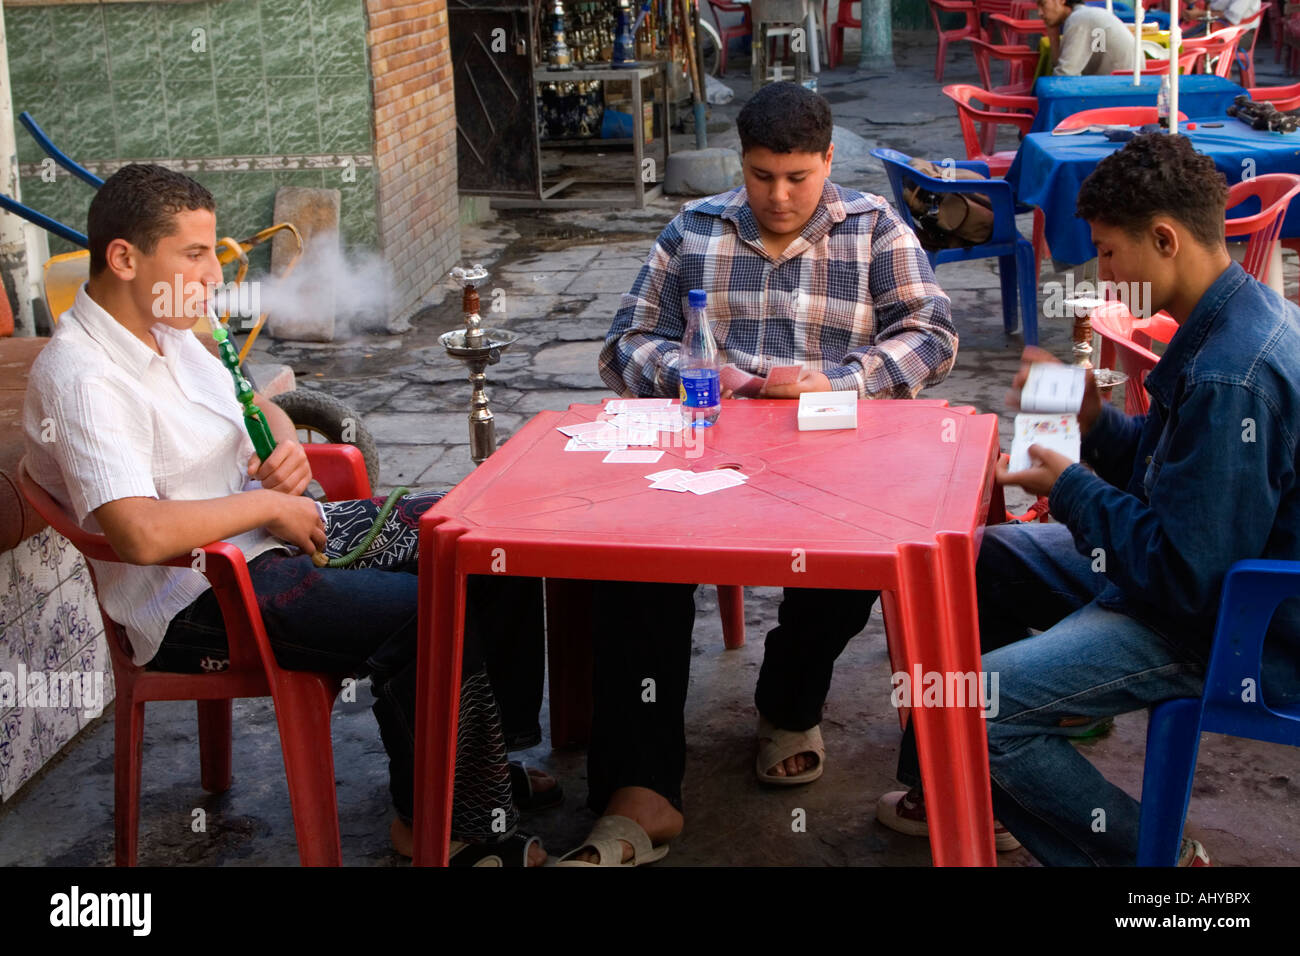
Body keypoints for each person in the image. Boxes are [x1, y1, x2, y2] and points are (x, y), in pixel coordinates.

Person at [22, 163, 549, 866]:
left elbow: (249, 400)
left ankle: (482, 771)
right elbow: (139, 533)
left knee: (484, 533)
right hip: (204, 597)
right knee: (425, 610)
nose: (213, 274)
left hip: (270, 538)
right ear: (124, 257)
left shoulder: (169, 330)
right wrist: (268, 502)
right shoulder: (84, 377)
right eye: (195, 253)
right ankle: (441, 824)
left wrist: (284, 447)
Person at [876, 133, 1300, 865]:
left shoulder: (1231, 374)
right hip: (1201, 581)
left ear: (1164, 239)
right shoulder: (1235, 314)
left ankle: (1150, 860)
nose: (1102, 273)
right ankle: (954, 784)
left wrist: (1067, 489)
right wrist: (1097, 424)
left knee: (967, 707)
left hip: (1238, 628)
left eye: (1107, 252)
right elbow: (1179, 475)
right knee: (990, 556)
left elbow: (1185, 576)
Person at [566, 82, 958, 865]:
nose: (778, 197)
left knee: (851, 569)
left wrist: (842, 381)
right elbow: (625, 343)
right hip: (704, 461)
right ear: (741, 165)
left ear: (828, 162)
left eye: (797, 178)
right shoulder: (695, 229)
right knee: (631, 570)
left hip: (837, 464)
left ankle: (787, 699)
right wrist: (702, 373)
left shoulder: (875, 229)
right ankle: (641, 790)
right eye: (760, 176)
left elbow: (934, 335)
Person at [1039, 0, 1136, 76]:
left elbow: (1065, 75)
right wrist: (1053, 33)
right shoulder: (1083, 14)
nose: (1040, 13)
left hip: (1118, 91)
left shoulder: (1078, 19)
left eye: (1043, 4)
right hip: (1122, 85)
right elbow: (1062, 67)